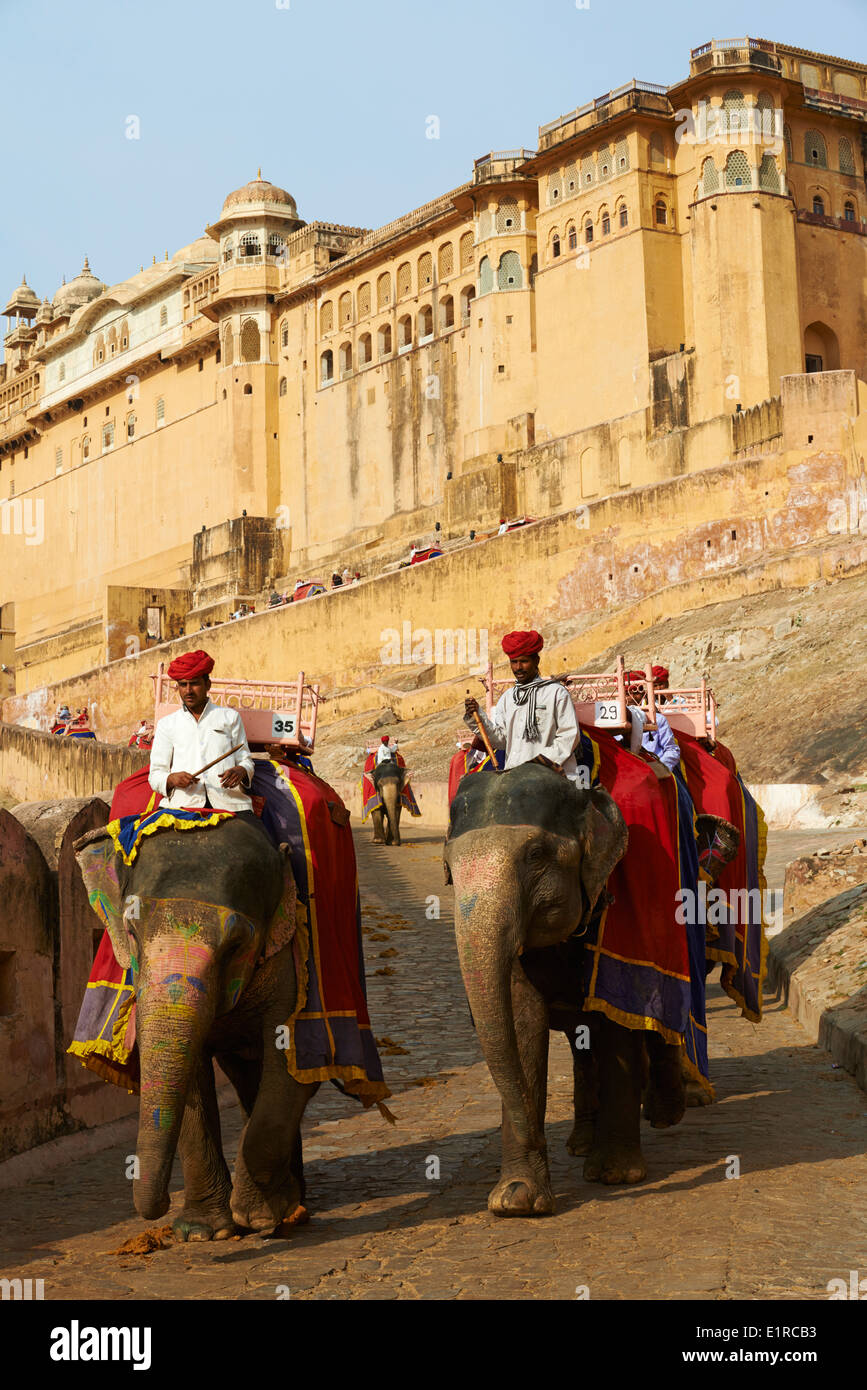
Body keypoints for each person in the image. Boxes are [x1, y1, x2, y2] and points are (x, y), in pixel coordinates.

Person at [464, 629, 581, 782]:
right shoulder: (507, 698)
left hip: (551, 776)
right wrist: (478, 717)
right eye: (514, 662)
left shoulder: (556, 693)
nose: (518, 667)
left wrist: (538, 764)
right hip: (514, 778)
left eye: (524, 661)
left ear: (536, 661)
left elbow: (569, 736)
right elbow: (501, 740)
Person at [149, 649, 255, 815]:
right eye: (183, 684)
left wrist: (241, 771)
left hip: (230, 804)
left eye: (195, 683)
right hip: (181, 805)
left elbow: (246, 760)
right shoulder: (166, 725)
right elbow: (155, 775)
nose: (188, 690)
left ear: (208, 685)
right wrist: (171, 778)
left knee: (257, 839)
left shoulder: (230, 717)